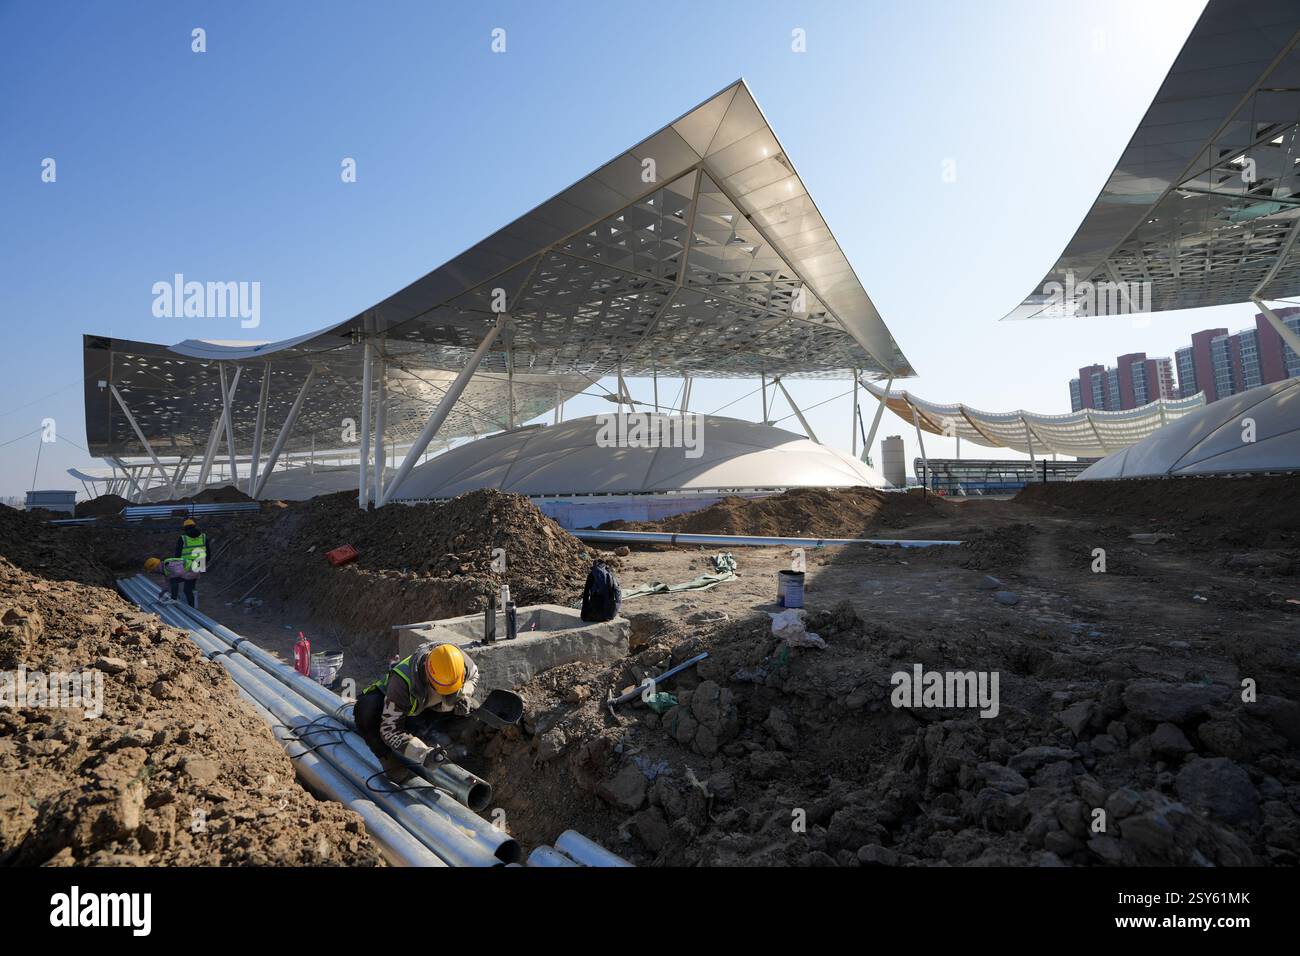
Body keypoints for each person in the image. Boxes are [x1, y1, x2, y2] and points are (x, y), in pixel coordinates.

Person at [354, 643, 479, 781]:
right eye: (445, 692)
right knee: (366, 710)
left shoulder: (459, 661)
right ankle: (390, 760)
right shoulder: (402, 683)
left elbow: (474, 676)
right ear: (429, 678)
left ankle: (451, 750)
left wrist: (465, 695)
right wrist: (422, 754)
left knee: (473, 709)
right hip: (403, 714)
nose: (449, 696)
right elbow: (390, 730)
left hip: (427, 710)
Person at [168, 517, 208, 607]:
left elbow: (177, 556)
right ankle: (193, 607)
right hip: (199, 566)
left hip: (187, 566)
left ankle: (175, 601)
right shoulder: (203, 537)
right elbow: (208, 553)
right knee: (190, 588)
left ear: (185, 528)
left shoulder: (183, 539)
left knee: (174, 580)